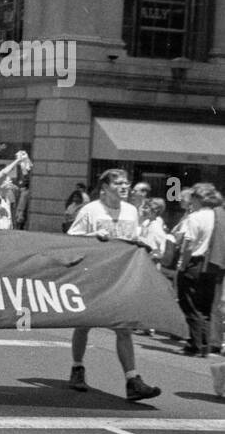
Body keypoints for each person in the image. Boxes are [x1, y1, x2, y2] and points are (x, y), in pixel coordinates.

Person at [66, 168, 161, 401]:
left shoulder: (130, 211)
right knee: (84, 324)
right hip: (93, 276)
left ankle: (132, 380)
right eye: (118, 183)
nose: (124, 187)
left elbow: (133, 239)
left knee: (123, 327)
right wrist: (92, 236)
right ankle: (77, 368)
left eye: (126, 183)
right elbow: (71, 238)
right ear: (105, 188)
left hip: (119, 277)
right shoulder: (90, 210)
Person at [167, 183, 222, 357]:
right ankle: (205, 344)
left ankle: (194, 344)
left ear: (198, 199)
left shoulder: (195, 217)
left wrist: (183, 265)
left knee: (189, 304)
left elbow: (189, 244)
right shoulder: (218, 216)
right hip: (211, 263)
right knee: (205, 306)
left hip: (194, 263)